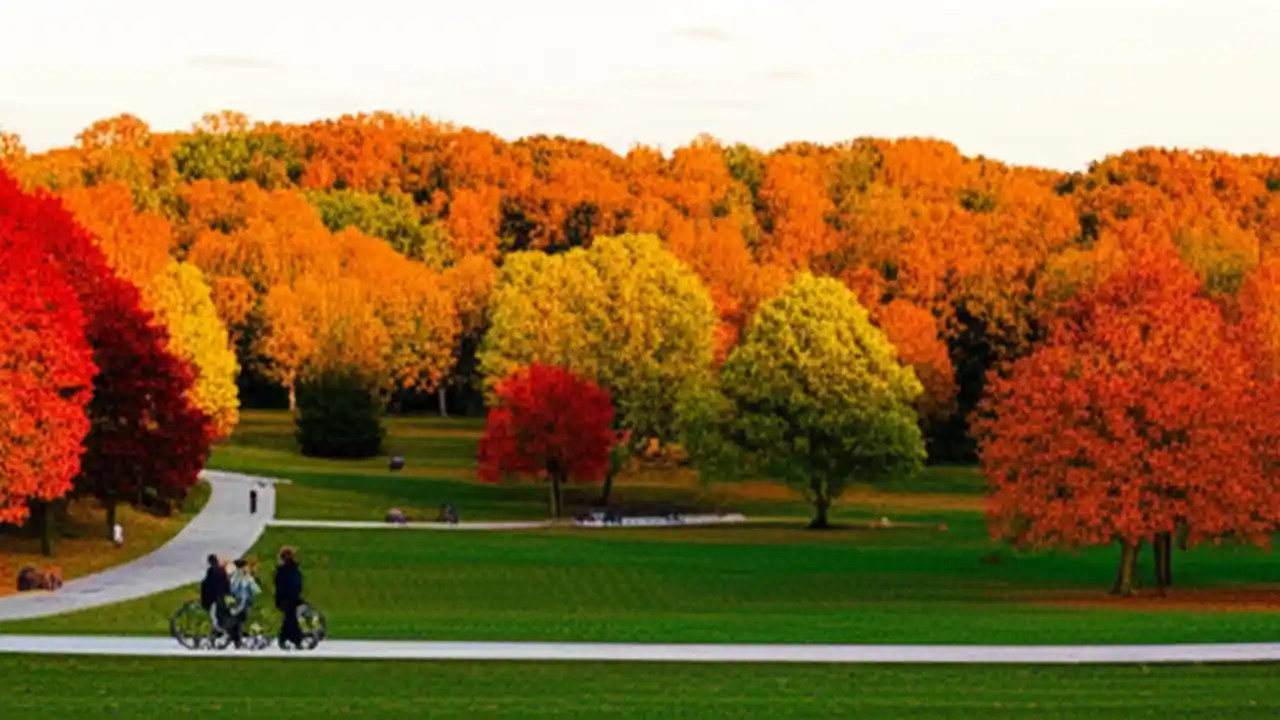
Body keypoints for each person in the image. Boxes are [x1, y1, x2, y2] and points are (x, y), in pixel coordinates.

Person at [273, 547, 304, 650]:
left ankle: (288, 638)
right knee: (291, 619)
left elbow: (280, 586)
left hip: (289, 598)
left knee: (290, 619)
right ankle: (293, 639)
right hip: (290, 598)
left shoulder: (284, 570)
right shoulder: (291, 569)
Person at [228, 558, 261, 648]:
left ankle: (238, 640)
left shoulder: (234, 576)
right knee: (240, 620)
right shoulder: (246, 576)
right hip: (245, 602)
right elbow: (256, 590)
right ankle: (240, 639)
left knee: (237, 621)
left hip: (239, 601)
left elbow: (231, 589)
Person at [200, 554, 231, 636]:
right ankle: (218, 629)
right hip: (221, 596)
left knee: (213, 614)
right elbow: (226, 583)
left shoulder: (212, 570)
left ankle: (218, 629)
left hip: (214, 597)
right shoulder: (222, 570)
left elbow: (208, 583)